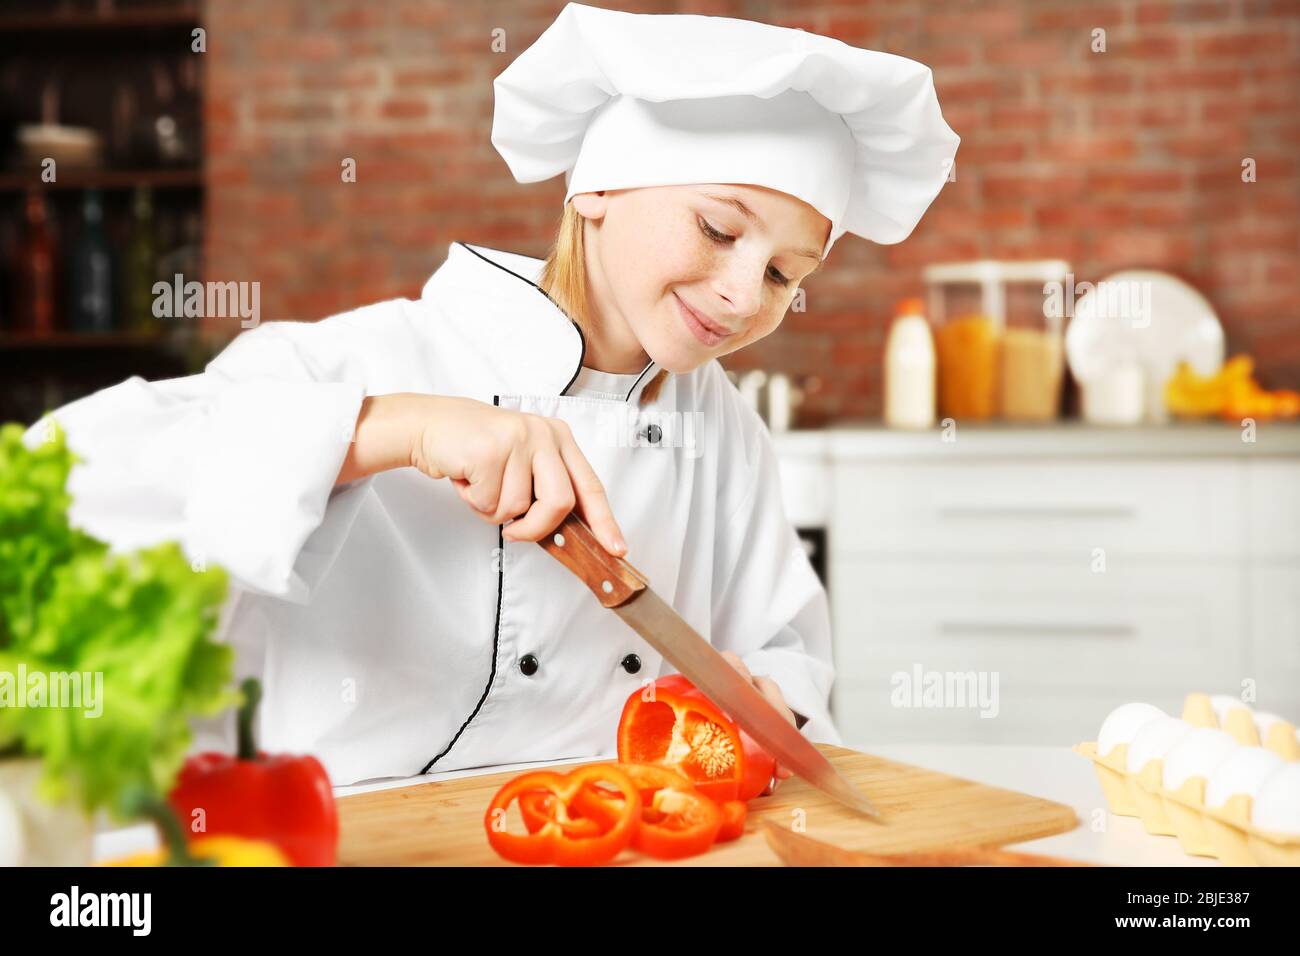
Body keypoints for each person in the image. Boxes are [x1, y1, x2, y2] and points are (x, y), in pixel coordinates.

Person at [24, 3, 959, 786]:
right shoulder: (375, 359)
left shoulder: (726, 431)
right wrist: (391, 431)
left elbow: (786, 654)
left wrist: (761, 706)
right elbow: (72, 490)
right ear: (596, 189)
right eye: (719, 229)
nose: (741, 293)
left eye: (787, 276)